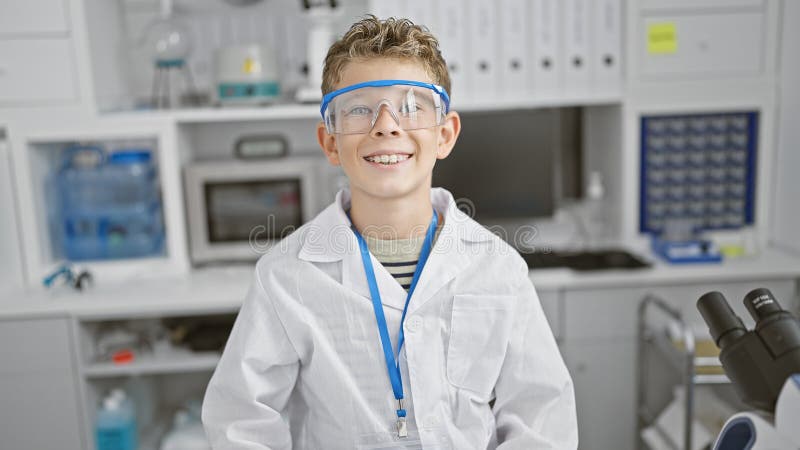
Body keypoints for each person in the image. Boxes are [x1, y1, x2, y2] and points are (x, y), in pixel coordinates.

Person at [202, 15, 578, 449]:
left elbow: (542, 415)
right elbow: (240, 421)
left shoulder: (497, 268)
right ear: (329, 142)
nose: (386, 124)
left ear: (445, 135)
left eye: (412, 105)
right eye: (360, 108)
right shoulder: (285, 277)